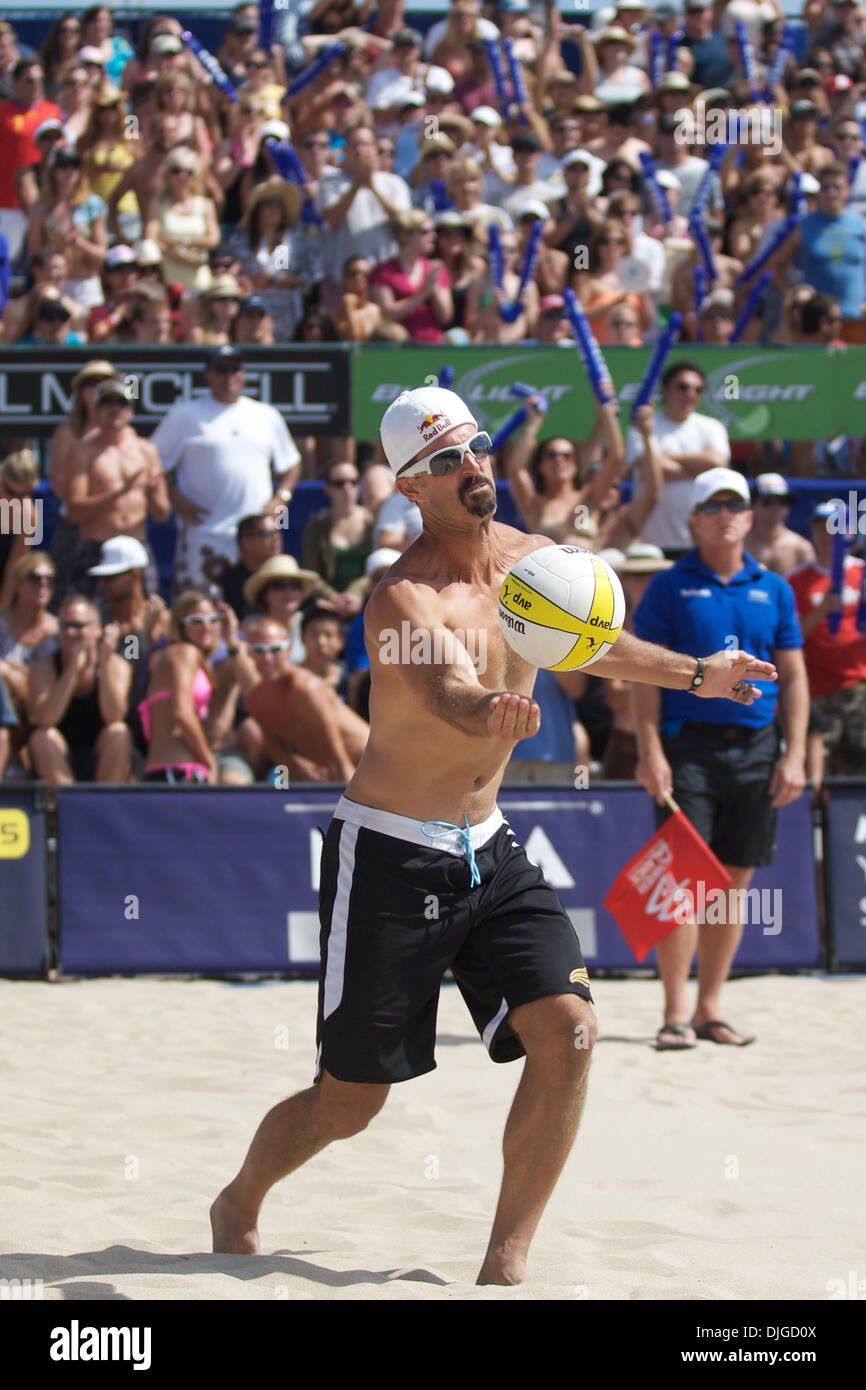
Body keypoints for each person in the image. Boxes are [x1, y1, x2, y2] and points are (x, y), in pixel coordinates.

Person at [211, 386, 780, 1280]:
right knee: (352, 1102)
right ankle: (239, 1197)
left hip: (490, 846)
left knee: (572, 1031)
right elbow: (445, 690)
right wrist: (492, 707)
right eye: (445, 460)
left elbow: (591, 641)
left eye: (474, 446)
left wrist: (694, 674)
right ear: (410, 486)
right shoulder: (401, 597)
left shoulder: (537, 562)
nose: (471, 465)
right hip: (392, 855)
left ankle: (504, 1263)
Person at [632, 467, 809, 1051]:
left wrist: (795, 754)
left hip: (758, 748)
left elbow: (796, 675)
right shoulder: (668, 585)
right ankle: (675, 1013)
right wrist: (650, 750)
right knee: (681, 882)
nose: (727, 514)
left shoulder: (774, 587)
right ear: (696, 518)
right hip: (690, 746)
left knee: (733, 883)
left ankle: (710, 1010)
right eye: (715, 506)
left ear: (750, 517)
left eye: (737, 504)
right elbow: (645, 674)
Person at [150, 345, 301, 591]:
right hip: (204, 534)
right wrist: (175, 497)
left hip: (255, 537)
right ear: (207, 374)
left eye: (235, 368)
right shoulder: (185, 415)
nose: (229, 375)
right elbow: (153, 463)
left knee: (259, 601)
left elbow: (291, 464)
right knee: (198, 608)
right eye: (221, 369)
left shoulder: (265, 415)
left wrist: (281, 498)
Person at [64, 379, 171, 594]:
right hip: (97, 545)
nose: (115, 409)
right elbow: (73, 512)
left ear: (130, 410)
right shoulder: (82, 452)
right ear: (95, 409)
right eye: (107, 403)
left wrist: (150, 492)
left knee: (142, 620)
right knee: (92, 618)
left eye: (121, 403)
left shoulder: (146, 451)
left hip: (137, 545)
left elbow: (162, 514)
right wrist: (120, 491)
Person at [787, 501, 866, 779]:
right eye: (820, 527)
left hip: (859, 686)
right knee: (819, 767)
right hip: (817, 688)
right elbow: (790, 638)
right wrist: (821, 611)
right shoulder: (797, 580)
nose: (826, 535)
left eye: (833, 528)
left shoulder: (862, 572)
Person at [238, 614, 368, 781]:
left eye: (275, 649)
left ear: (288, 650)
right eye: (259, 651)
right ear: (250, 654)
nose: (268, 658)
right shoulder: (255, 701)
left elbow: (338, 754)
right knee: (276, 781)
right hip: (333, 775)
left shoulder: (305, 687)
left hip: (370, 766)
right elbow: (281, 759)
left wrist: (349, 792)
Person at [625, 360, 731, 557]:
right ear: (664, 390)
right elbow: (648, 468)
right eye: (683, 387)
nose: (690, 394)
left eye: (698, 390)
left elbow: (717, 463)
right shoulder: (642, 425)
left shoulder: (712, 427)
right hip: (651, 541)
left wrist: (660, 457)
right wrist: (698, 467)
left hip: (699, 541)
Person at [27, 593, 132, 785]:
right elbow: (44, 719)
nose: (70, 633)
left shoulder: (117, 665)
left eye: (78, 626)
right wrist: (72, 669)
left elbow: (114, 715)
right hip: (60, 759)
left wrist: (104, 663)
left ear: (97, 629)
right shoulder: (45, 667)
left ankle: (106, 806)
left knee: (119, 732)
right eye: (64, 626)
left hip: (101, 755)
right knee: (41, 737)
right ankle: (67, 807)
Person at [242, 553, 321, 664]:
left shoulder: (310, 623)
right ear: (264, 594)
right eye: (279, 585)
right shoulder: (251, 626)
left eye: (295, 585)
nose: (288, 591)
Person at [747, 474, 816, 575]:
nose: (775, 507)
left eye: (782, 502)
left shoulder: (800, 548)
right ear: (752, 505)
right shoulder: (740, 545)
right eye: (767, 502)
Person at [218, 513, 283, 621]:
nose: (276, 538)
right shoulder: (227, 585)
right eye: (268, 533)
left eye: (277, 533)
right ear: (245, 541)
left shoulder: (288, 577)